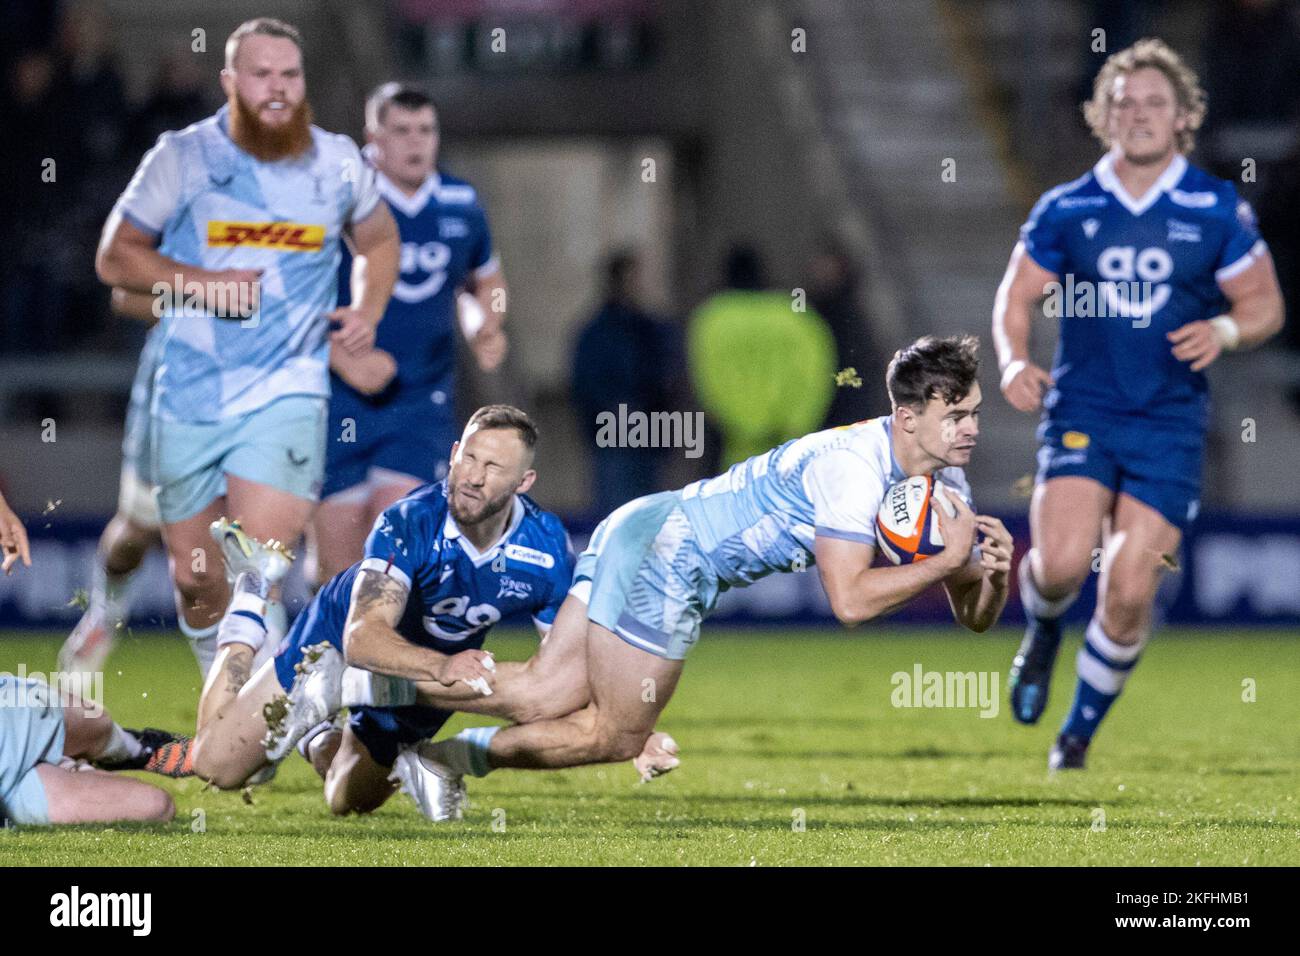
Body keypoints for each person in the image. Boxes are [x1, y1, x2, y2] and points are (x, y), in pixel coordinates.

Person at [380, 335, 1013, 818]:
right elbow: (848, 601)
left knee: (545, 693)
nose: (973, 429)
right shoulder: (853, 469)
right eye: (957, 415)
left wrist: (991, 577)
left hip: (648, 526)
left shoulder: (945, 482)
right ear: (908, 418)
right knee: (616, 733)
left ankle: (369, 690)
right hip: (671, 556)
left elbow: (972, 616)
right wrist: (945, 562)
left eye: (975, 412)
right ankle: (442, 758)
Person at [992, 39, 1285, 769]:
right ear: (1104, 116)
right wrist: (1012, 359)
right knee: (1060, 566)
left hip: (1170, 425)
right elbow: (1017, 295)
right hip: (1084, 411)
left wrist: (1223, 327)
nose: (1141, 114)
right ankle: (1046, 629)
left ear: (1184, 116)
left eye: (1156, 102)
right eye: (1125, 102)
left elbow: (1265, 306)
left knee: (1127, 591)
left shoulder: (1215, 208)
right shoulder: (1069, 207)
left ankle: (1077, 736)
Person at [93, 18, 400, 680]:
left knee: (260, 561)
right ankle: (121, 617)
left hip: (288, 388)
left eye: (290, 74)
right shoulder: (183, 160)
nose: (279, 88)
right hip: (186, 389)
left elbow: (379, 240)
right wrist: (206, 288)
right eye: (262, 74)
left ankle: (260, 708)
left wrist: (364, 313)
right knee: (180, 568)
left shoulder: (337, 161)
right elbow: (117, 270)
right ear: (230, 81)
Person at [189, 406, 575, 818]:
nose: (474, 477)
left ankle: (316, 733)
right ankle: (251, 591)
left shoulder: (547, 548)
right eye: (469, 458)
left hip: (424, 678)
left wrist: (632, 736)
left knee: (348, 801)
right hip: (337, 644)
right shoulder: (410, 520)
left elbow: (563, 666)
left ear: (523, 482)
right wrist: (444, 668)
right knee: (215, 768)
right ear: (456, 451)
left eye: (494, 468)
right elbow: (362, 637)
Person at [58, 287, 398, 675]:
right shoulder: (194, 231)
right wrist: (207, 299)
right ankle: (104, 615)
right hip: (182, 383)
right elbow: (124, 294)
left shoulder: (307, 238)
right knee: (139, 528)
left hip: (271, 385)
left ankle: (260, 700)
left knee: (262, 547)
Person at [312, 83, 508, 589]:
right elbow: (293, 292)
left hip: (421, 396)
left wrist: (487, 322)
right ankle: (330, 650)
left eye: (426, 130)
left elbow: (483, 279)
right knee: (334, 564)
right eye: (400, 131)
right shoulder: (337, 201)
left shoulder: (460, 203)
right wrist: (337, 354)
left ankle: (383, 665)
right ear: (372, 137)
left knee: (394, 529)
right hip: (338, 395)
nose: (415, 142)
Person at [688, 245, 837, 467]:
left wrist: (743, 426)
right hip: (791, 448)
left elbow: (709, 380)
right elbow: (815, 374)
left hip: (736, 448)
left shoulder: (712, 318)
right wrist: (797, 424)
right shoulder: (796, 317)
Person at [570, 249, 675, 517]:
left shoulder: (649, 329)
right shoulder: (598, 332)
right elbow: (587, 384)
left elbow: (665, 377)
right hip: (614, 437)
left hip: (650, 435)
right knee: (617, 513)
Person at [0, 675, 182, 826]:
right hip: (8, 787)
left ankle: (136, 749)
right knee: (156, 806)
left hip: (11, 714)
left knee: (97, 720)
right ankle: (71, 768)